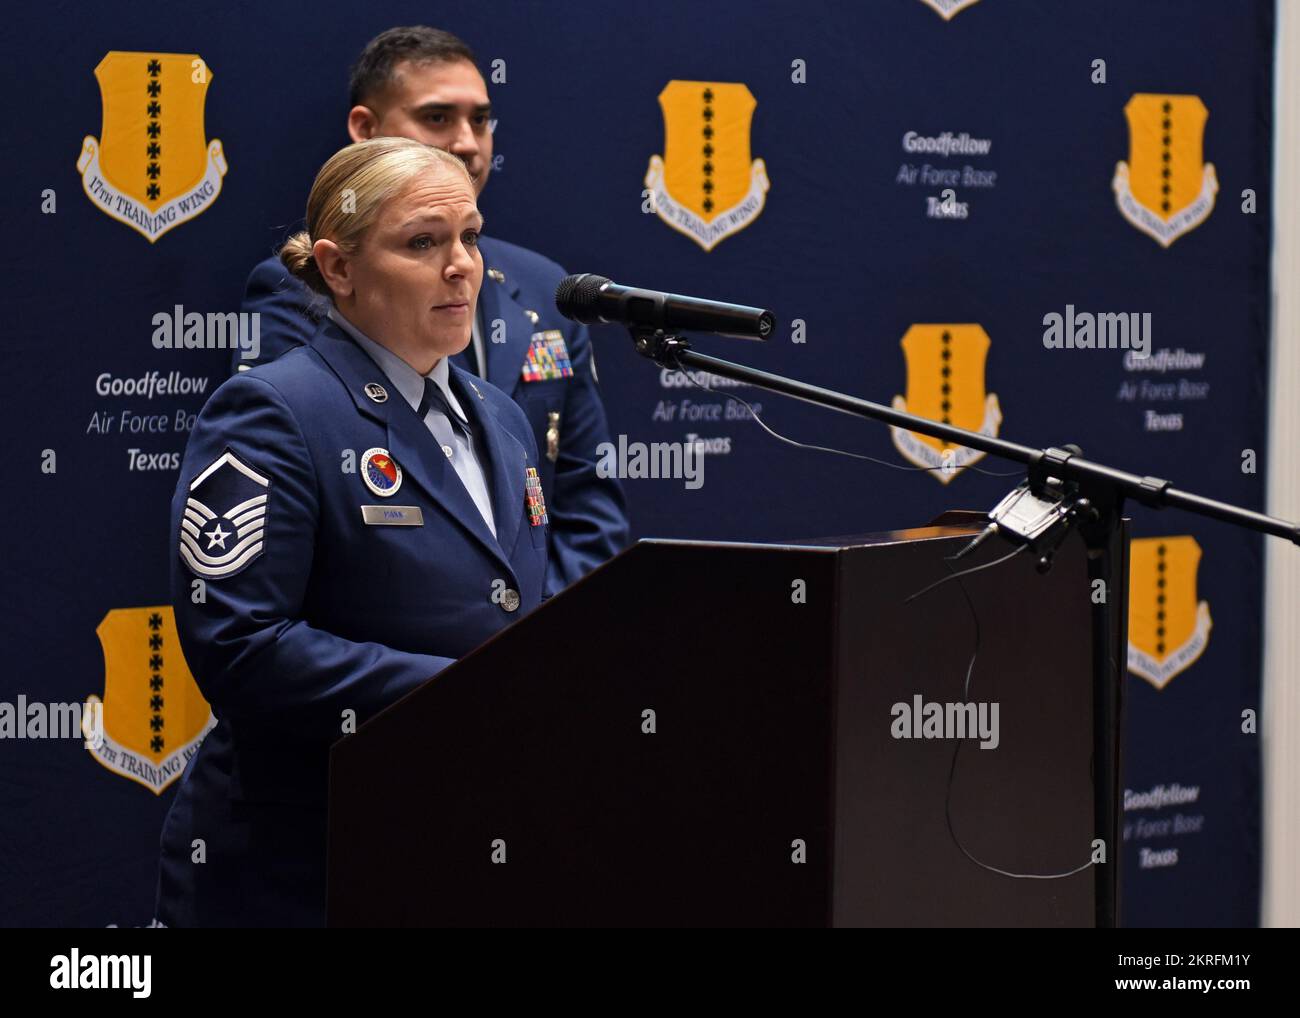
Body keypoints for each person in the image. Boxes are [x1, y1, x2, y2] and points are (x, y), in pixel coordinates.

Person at [156, 138, 548, 927]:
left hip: (462, 846)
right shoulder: (274, 411)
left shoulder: (500, 415)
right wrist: (461, 693)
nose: (462, 264)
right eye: (423, 243)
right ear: (338, 269)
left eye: (470, 236)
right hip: (306, 866)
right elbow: (241, 643)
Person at [238, 25, 627, 596]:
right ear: (365, 130)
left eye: (481, 119)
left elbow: (588, 505)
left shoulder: (547, 287)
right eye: (439, 118)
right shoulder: (304, 287)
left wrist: (541, 651)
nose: (468, 142)